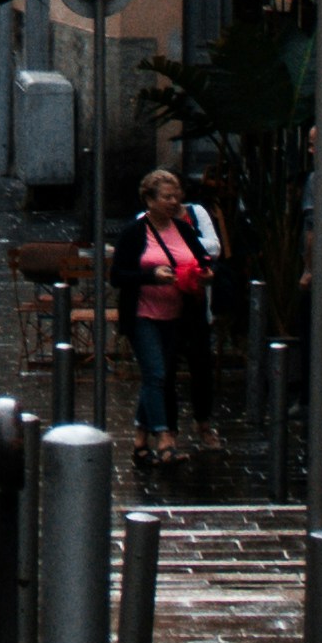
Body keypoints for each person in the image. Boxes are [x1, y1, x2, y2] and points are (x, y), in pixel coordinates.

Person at [115, 164, 212, 481]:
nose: (174, 202)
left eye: (177, 196)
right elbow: (117, 276)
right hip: (142, 314)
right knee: (156, 372)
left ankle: (140, 440)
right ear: (150, 200)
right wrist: (150, 276)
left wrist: (204, 273)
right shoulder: (134, 232)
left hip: (175, 315)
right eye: (167, 197)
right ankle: (165, 438)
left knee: (158, 375)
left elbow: (202, 258)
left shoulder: (183, 229)